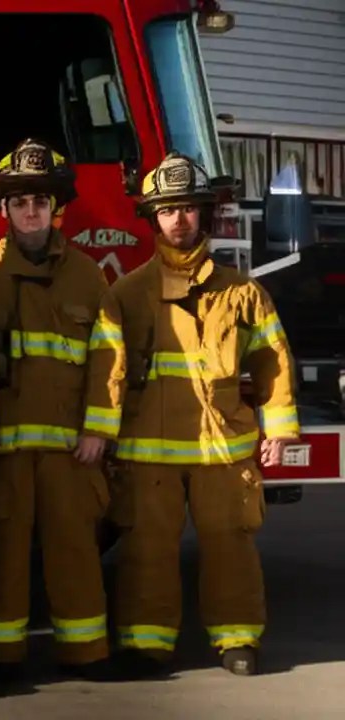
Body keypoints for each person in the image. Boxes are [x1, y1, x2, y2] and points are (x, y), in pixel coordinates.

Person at [104, 152, 299, 678]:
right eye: (168, 210)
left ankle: (237, 638)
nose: (180, 220)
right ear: (153, 218)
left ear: (203, 214)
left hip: (222, 448)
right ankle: (147, 643)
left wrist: (279, 428)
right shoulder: (126, 293)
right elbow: (107, 371)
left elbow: (272, 362)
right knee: (147, 549)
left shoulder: (242, 291)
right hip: (148, 451)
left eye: (188, 208)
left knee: (230, 545)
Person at [0, 139, 117, 683]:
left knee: (75, 551)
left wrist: (99, 428)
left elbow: (108, 357)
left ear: (56, 209)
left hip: (70, 449)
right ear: (2, 209)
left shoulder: (89, 276)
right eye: (21, 201)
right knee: (2, 554)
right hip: (2, 446)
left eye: (41, 202)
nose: (31, 212)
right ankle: (2, 659)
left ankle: (88, 655)